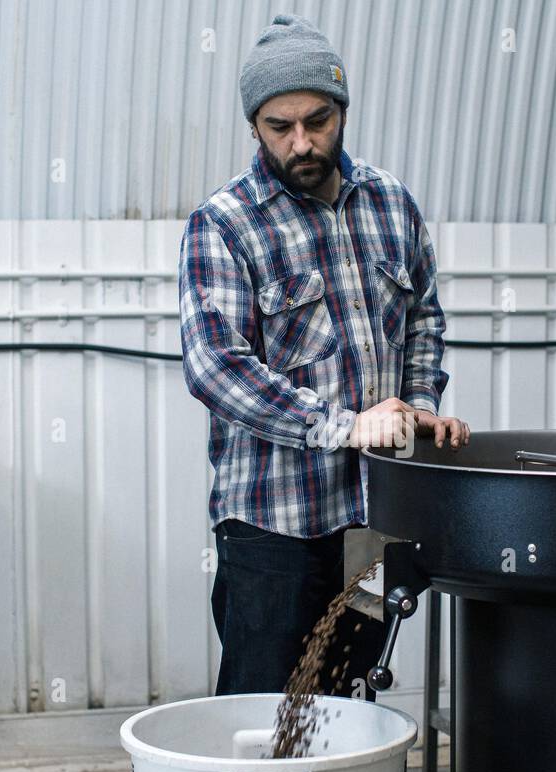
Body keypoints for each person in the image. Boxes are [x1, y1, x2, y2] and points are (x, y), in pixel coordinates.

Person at [179, 14, 469, 698]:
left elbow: (423, 318)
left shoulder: (391, 204)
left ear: (343, 110)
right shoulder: (225, 223)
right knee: (262, 711)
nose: (302, 142)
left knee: (348, 698)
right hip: (272, 529)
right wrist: (343, 427)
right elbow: (216, 366)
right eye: (281, 127)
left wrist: (420, 409)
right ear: (254, 126)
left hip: (373, 524)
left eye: (319, 120)